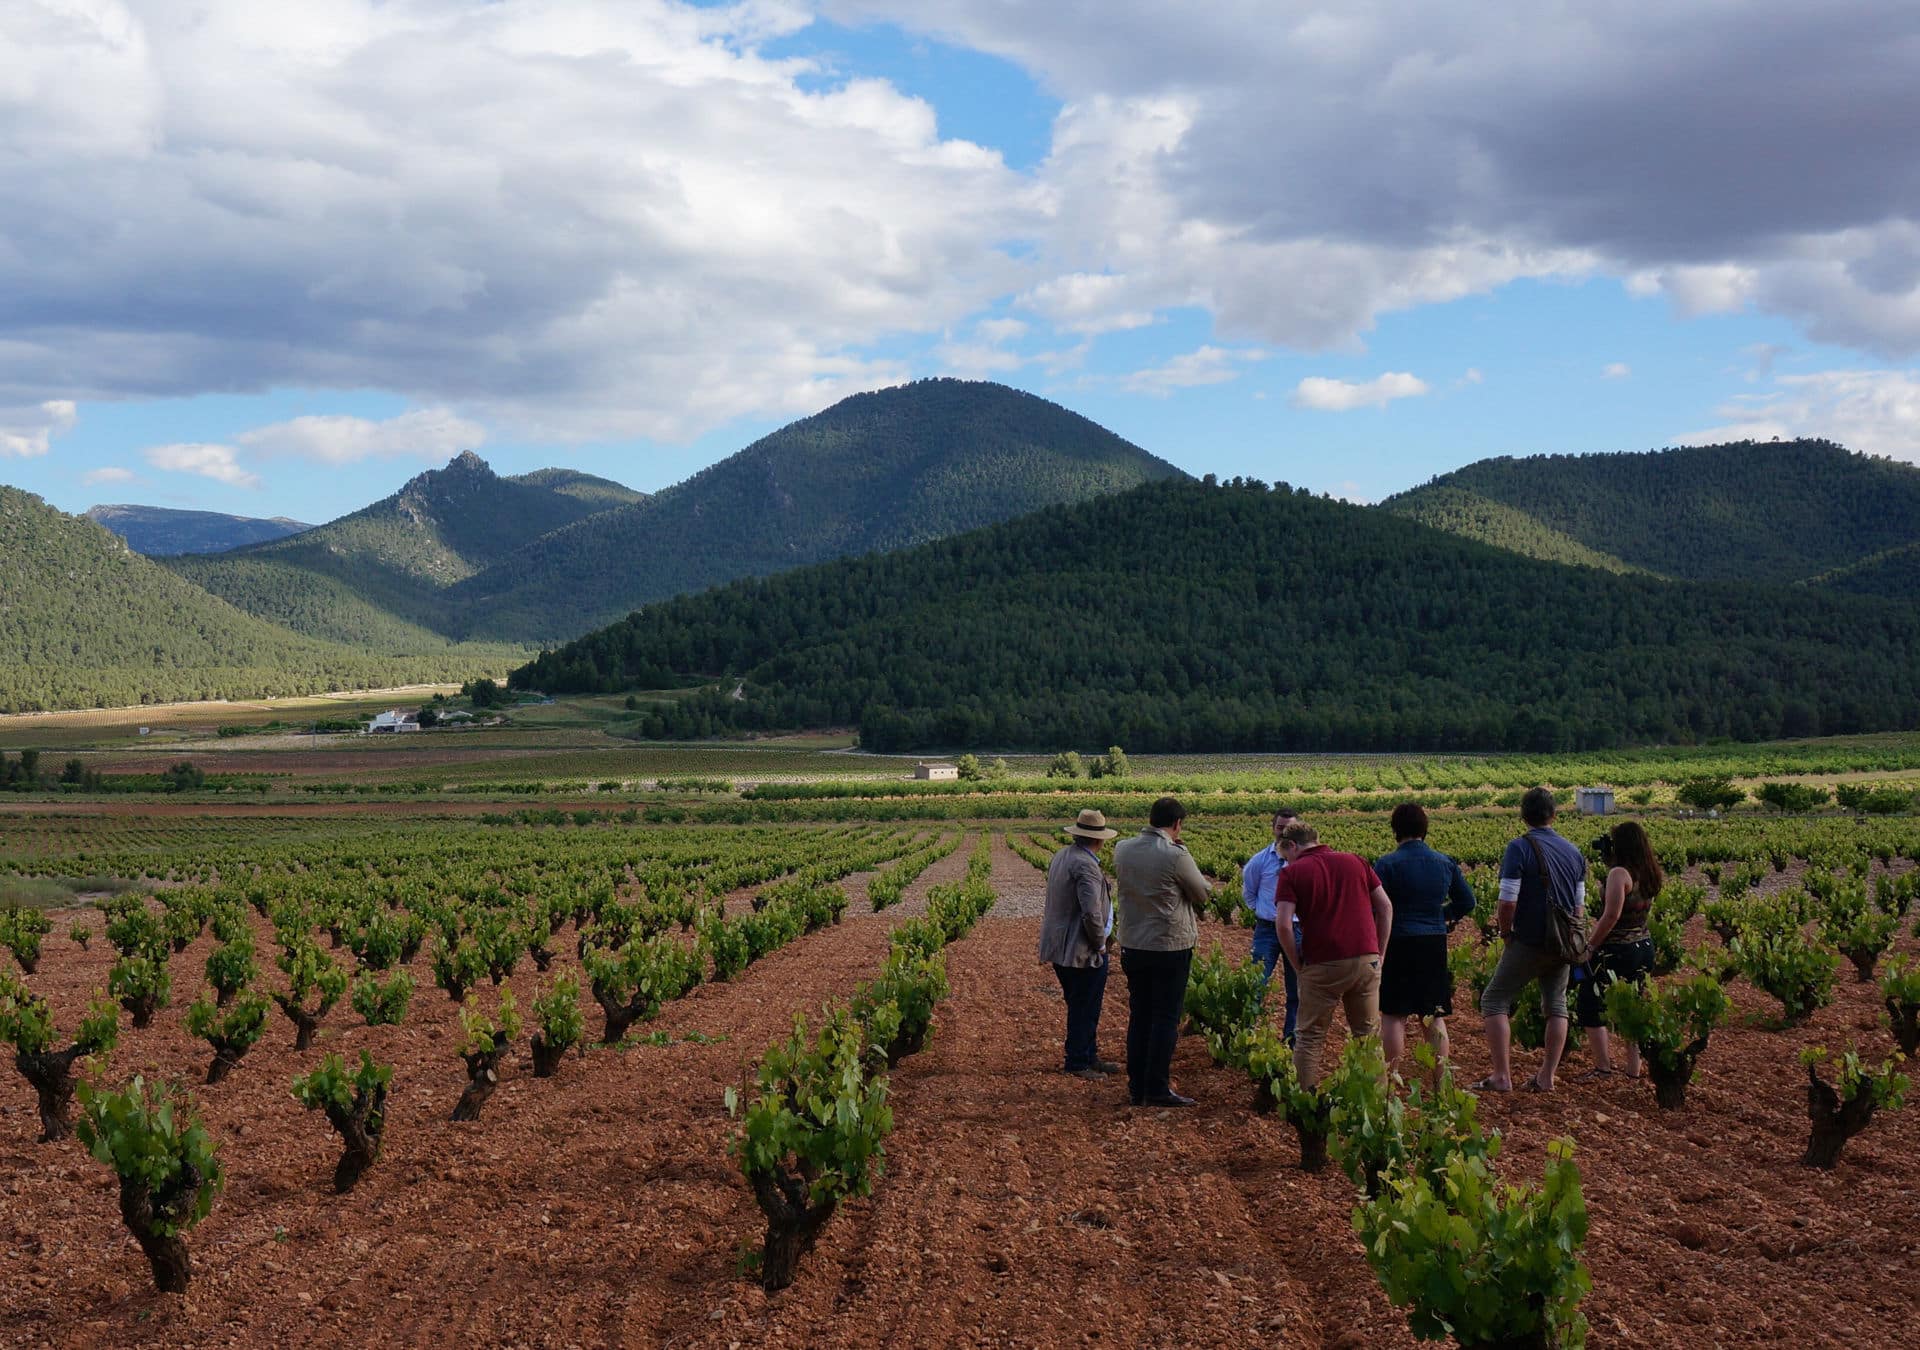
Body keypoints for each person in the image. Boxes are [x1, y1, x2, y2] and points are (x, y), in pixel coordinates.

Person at [1475, 787, 1587, 1093]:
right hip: (1563, 942)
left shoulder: (1519, 848)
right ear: (1554, 814)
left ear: (1523, 815)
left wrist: (1507, 933)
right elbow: (1579, 907)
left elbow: (1508, 900)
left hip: (1531, 938)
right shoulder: (1574, 852)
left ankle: (1501, 1075)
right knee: (1556, 1004)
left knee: (1494, 999)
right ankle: (1547, 1076)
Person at [1272, 821, 1393, 1088]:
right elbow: (1385, 907)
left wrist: (1297, 965)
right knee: (1367, 1035)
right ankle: (1377, 1100)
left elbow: (1282, 924)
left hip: (1322, 962)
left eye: (1286, 856)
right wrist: (1380, 953)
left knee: (1310, 1037)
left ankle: (1306, 1100)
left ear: (1292, 845)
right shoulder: (1356, 862)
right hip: (1366, 958)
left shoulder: (1292, 874)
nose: (1287, 862)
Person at [1113, 796, 1213, 1107]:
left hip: (1133, 943)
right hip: (1168, 945)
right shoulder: (1175, 855)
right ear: (1177, 824)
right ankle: (1156, 1087)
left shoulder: (1122, 848)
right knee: (1165, 1018)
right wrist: (1184, 852)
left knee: (1140, 1015)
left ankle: (1136, 1086)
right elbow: (1202, 894)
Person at [1373, 803, 1475, 1070]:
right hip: (1433, 942)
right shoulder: (1444, 862)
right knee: (1433, 1013)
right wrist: (1444, 916)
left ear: (1396, 829)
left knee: (1394, 1014)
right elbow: (1467, 901)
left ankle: (1389, 1081)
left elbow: (1375, 905)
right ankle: (1441, 1082)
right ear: (1424, 828)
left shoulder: (1386, 864)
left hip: (1398, 942)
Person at [1575, 820, 1663, 1080]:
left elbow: (1611, 916)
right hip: (1644, 945)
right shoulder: (1649, 872)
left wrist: (1590, 946)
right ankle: (1634, 1070)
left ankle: (1603, 1067)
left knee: (1590, 1003)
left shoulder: (1619, 874)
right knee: (1632, 1006)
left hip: (1618, 949)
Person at [1038, 808, 1121, 1080]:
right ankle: (1077, 1061)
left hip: (1060, 946)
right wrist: (1100, 943)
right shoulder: (1086, 865)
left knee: (1080, 1003)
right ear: (1099, 840)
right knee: (1085, 1005)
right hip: (1080, 949)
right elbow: (1091, 912)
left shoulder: (1063, 855)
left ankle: (1089, 1055)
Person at [1239, 808, 1304, 1043]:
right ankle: (1246, 1037)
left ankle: (1291, 1040)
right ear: (1272, 828)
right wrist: (1265, 912)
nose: (1285, 833)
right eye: (1280, 828)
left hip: (1298, 930)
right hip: (1267, 929)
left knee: (1297, 989)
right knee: (1255, 984)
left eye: (1290, 828)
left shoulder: (1306, 863)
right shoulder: (1260, 861)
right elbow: (1249, 892)